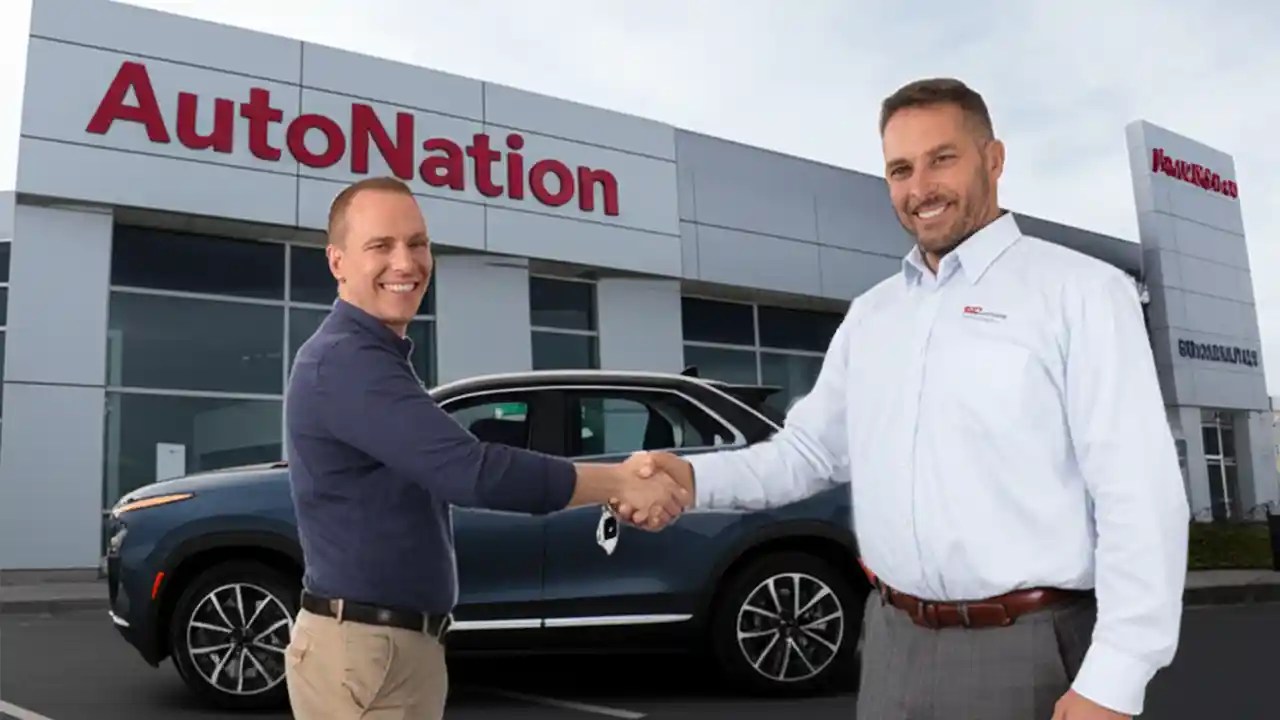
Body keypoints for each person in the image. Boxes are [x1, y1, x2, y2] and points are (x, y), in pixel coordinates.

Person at [622, 78, 1190, 720]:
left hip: (1030, 649)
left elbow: (1138, 493)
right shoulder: (873, 315)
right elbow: (806, 454)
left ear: (994, 159)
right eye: (900, 169)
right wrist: (690, 477)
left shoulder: (1081, 293)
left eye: (942, 159)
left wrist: (1114, 678)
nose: (921, 188)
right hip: (892, 642)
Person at [282, 176, 686, 720]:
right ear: (338, 262)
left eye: (418, 243)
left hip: (386, 651)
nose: (406, 262)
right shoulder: (345, 362)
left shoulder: (372, 357)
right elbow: (472, 472)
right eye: (381, 245)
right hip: (363, 658)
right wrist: (616, 482)